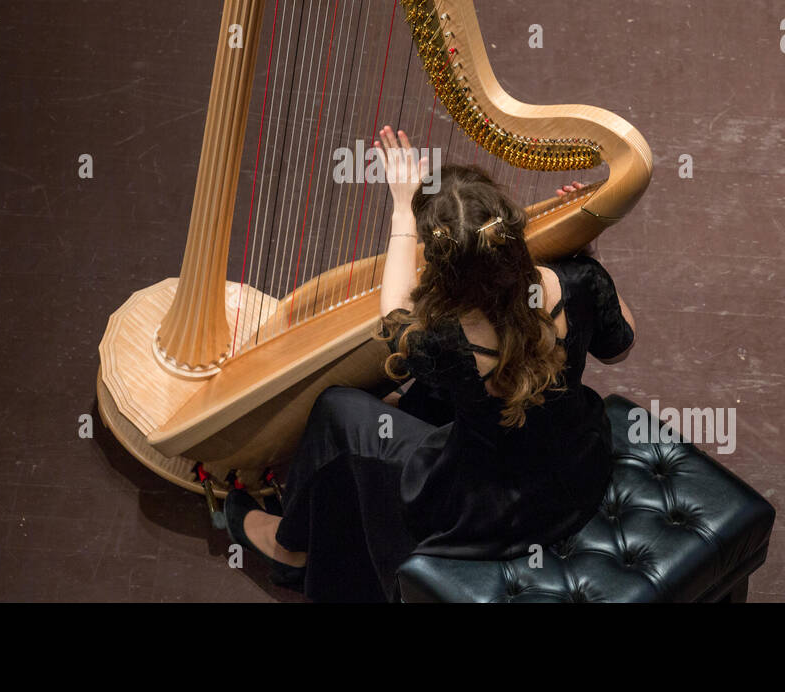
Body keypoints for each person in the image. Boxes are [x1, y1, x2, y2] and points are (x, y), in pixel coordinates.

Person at [224, 126, 637, 602]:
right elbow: (619, 346)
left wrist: (402, 206)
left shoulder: (441, 340)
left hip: (488, 510)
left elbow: (393, 315)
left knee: (337, 407)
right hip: (579, 473)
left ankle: (289, 547)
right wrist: (585, 247)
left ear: (441, 265)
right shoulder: (580, 280)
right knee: (427, 396)